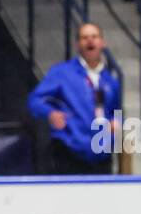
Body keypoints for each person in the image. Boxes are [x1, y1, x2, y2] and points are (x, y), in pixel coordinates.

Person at [26, 22, 123, 175]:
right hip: (69, 152)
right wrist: (50, 113)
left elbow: (115, 112)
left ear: (102, 43)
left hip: (102, 156)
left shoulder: (111, 81)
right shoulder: (62, 73)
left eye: (94, 37)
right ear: (78, 45)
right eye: (85, 37)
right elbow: (35, 100)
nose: (90, 41)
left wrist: (115, 124)